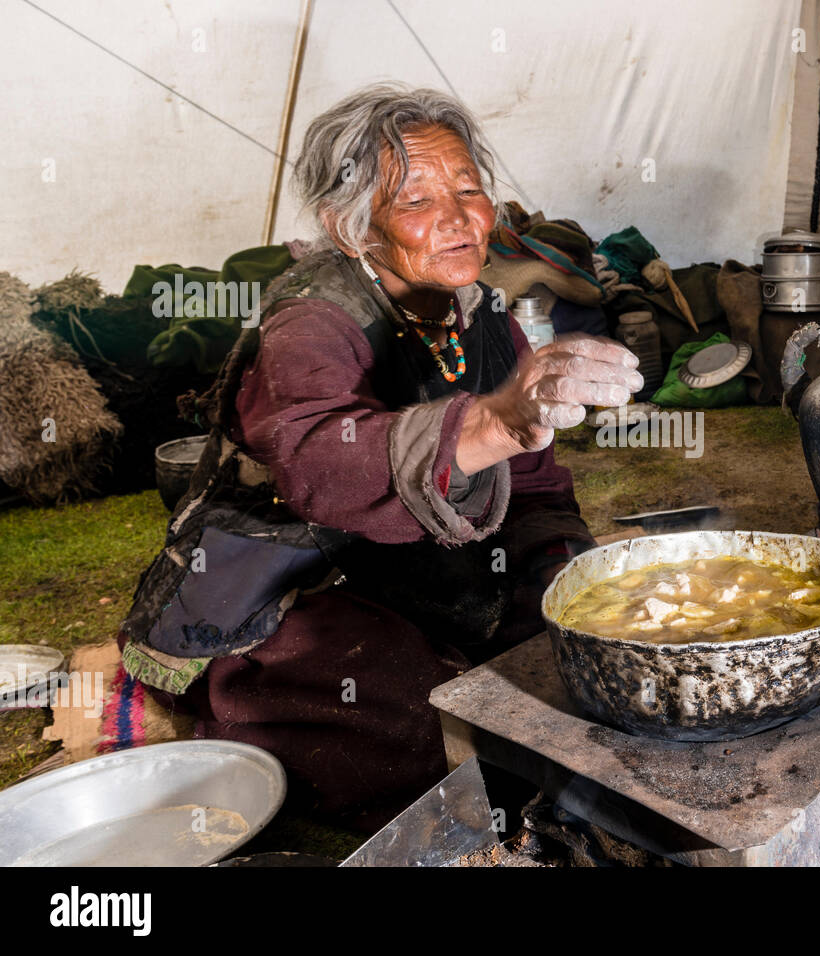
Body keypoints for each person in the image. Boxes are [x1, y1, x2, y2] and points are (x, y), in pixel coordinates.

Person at [118, 83, 641, 830]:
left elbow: (532, 487)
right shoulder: (308, 321)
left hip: (423, 568)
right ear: (352, 225)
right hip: (289, 580)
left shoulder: (485, 318)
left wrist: (566, 576)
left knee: (582, 661)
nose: (460, 218)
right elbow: (319, 463)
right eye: (418, 200)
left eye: (470, 189)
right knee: (442, 727)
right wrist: (494, 420)